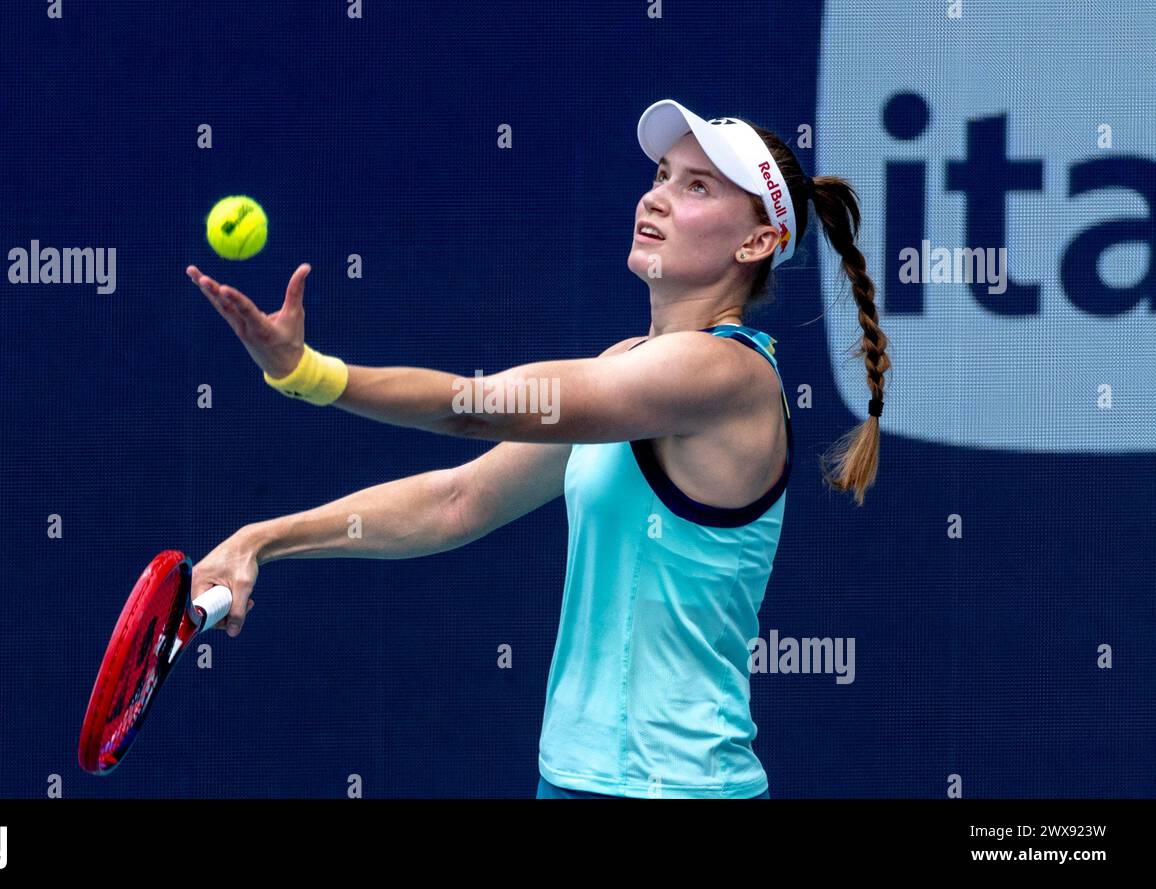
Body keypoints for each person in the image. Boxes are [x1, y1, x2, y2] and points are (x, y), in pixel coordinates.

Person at [183, 98, 890, 798]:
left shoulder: (725, 374)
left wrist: (307, 374)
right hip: (570, 780)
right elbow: (457, 501)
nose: (658, 198)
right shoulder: (630, 364)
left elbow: (474, 406)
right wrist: (262, 537)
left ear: (757, 243)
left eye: (697, 187)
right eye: (662, 175)